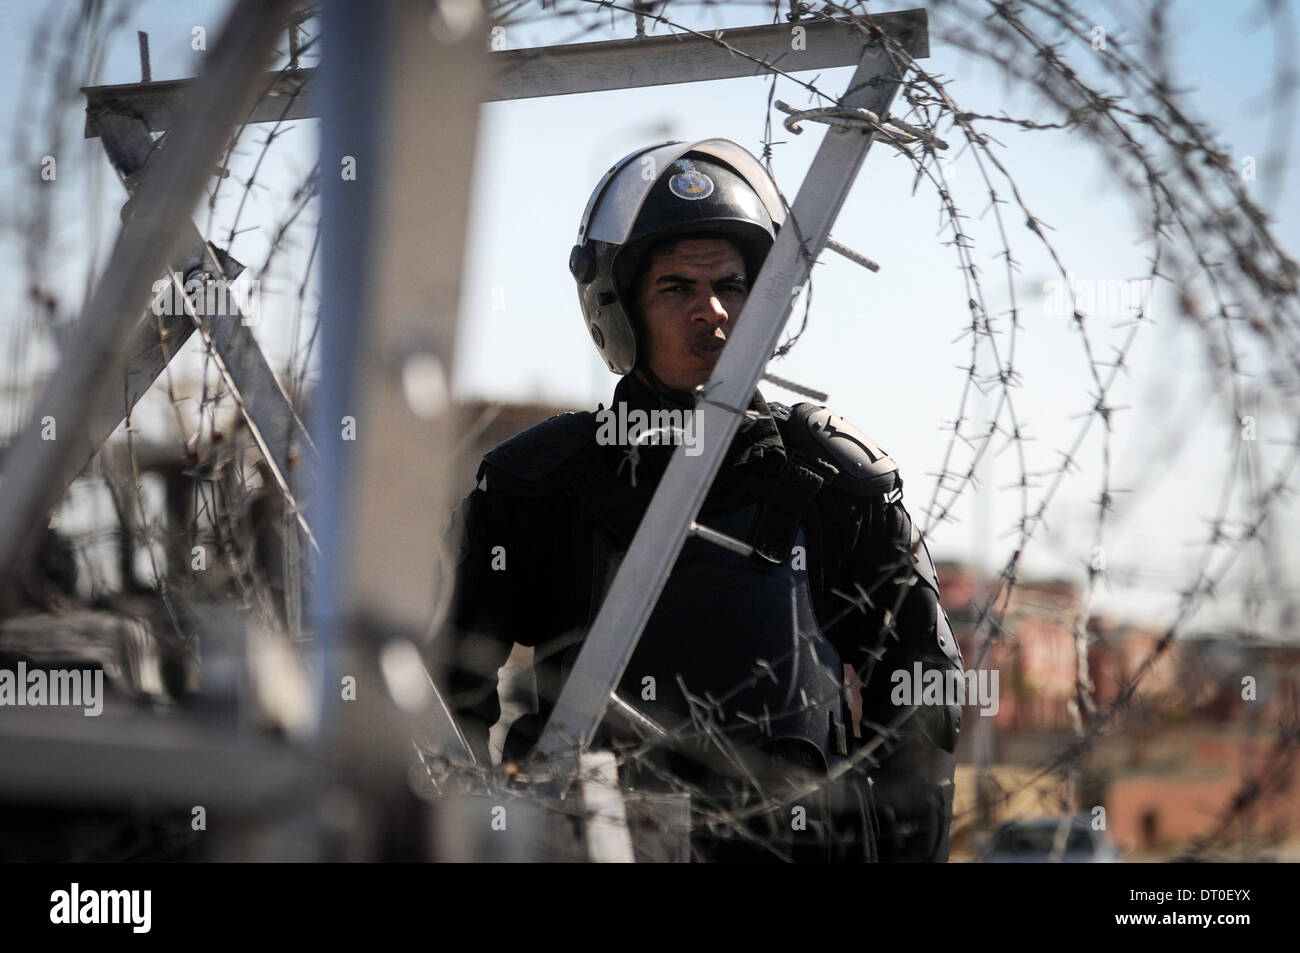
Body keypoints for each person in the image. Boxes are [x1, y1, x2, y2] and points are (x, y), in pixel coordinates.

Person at [437, 139, 963, 862]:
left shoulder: (836, 482)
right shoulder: (538, 486)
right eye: (675, 288)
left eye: (732, 286)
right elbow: (441, 691)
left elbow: (923, 698)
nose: (711, 312)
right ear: (618, 310)